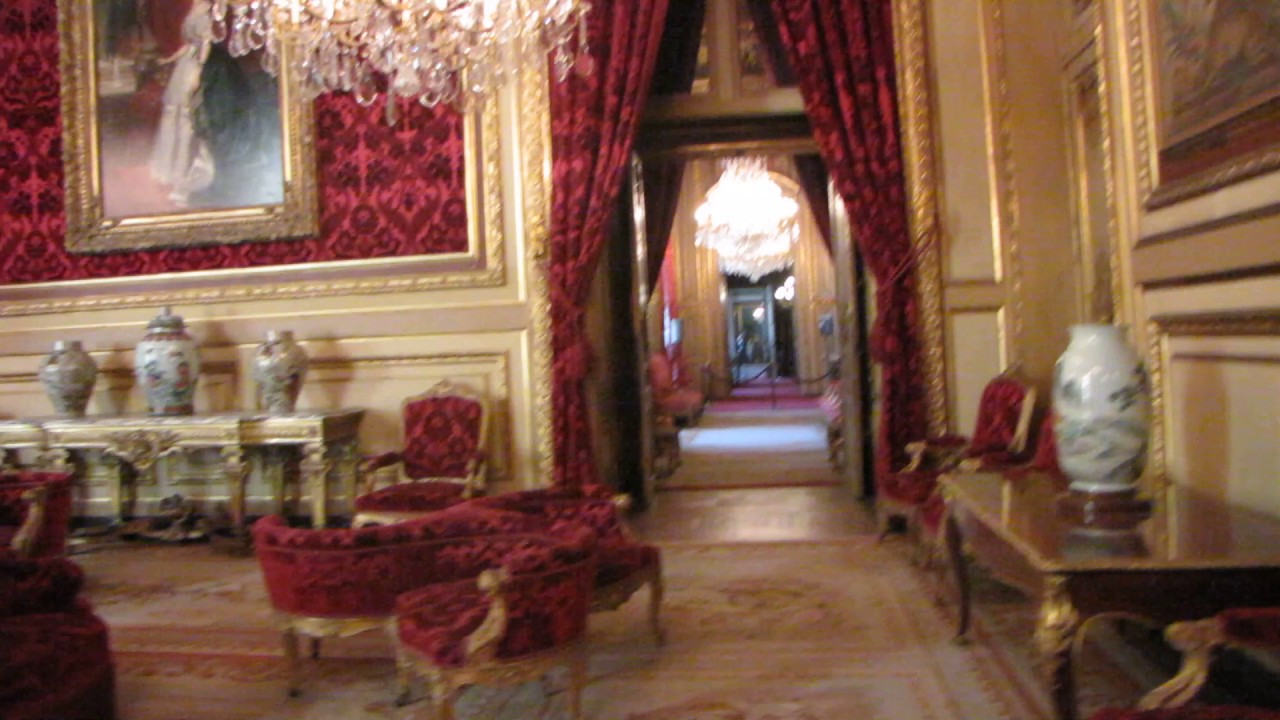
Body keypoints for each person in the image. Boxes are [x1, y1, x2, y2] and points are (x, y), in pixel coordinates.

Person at [148, 0, 215, 207]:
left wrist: (200, 72)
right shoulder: (194, 8)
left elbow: (206, 45)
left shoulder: (208, 12)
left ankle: (187, 180)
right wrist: (170, 60)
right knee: (175, 117)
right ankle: (170, 171)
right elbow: (188, 45)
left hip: (194, 69)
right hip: (184, 66)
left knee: (188, 121)